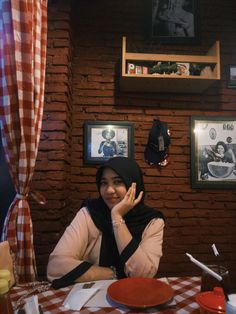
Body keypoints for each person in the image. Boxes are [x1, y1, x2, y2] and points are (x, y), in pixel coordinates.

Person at [47, 157, 165, 288]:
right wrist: (113, 273)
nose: (109, 190)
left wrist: (116, 216)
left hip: (135, 296)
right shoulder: (89, 213)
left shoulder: (153, 221)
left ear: (134, 185)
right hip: (90, 297)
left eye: (118, 182)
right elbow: (55, 266)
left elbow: (143, 276)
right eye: (104, 183)